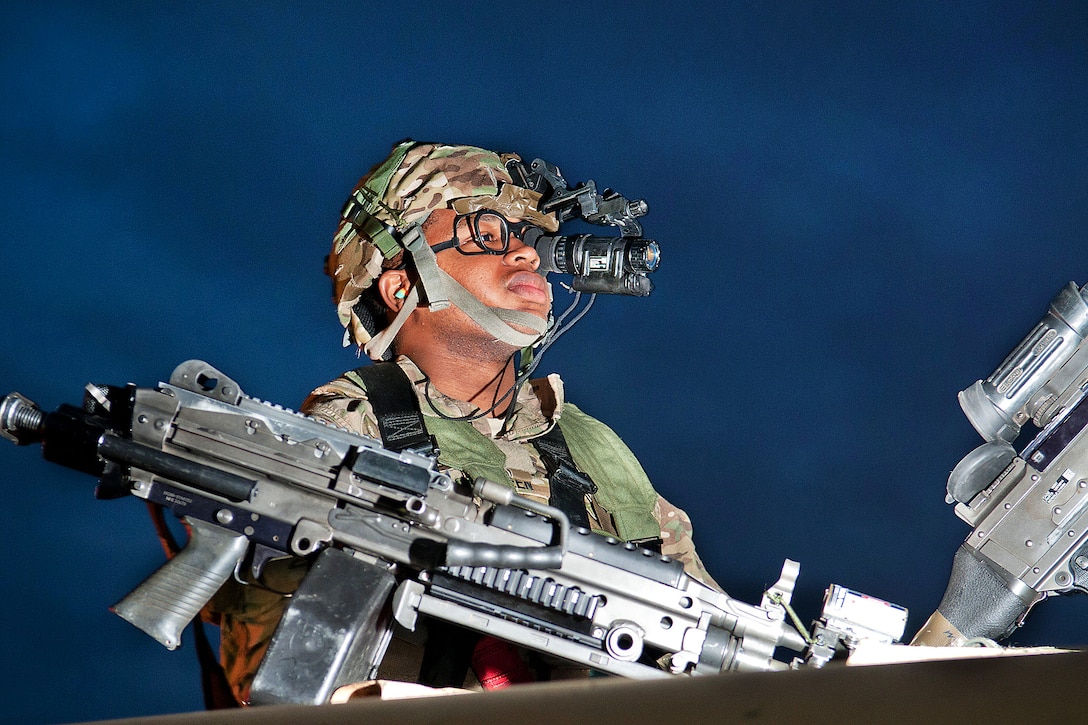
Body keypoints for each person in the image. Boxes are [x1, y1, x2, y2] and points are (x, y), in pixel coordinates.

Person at [212, 140, 719, 704]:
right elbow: (284, 672)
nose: (526, 255)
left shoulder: (589, 444)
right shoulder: (356, 427)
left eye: (528, 238)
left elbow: (699, 618)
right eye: (486, 233)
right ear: (402, 284)